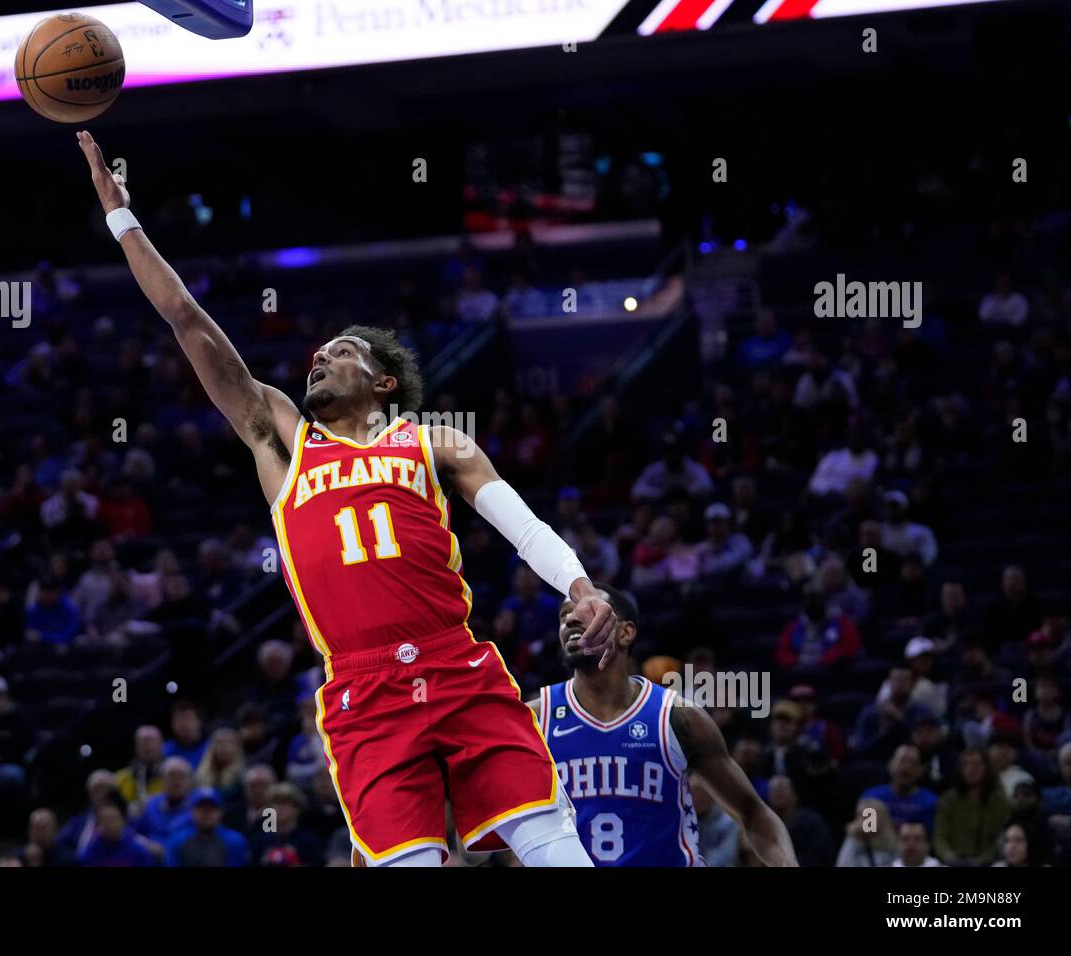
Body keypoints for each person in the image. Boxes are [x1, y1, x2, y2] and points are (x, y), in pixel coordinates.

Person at [79, 131, 618, 867]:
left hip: (457, 664)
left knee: (552, 845)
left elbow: (523, 528)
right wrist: (122, 219)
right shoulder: (282, 441)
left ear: (383, 382)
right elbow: (188, 320)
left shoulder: (435, 442)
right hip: (362, 691)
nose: (319, 356)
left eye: (340, 352)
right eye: (319, 351)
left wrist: (580, 586)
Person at [532, 585, 796, 867]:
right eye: (564, 615)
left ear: (625, 632)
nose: (570, 619)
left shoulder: (678, 717)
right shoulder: (535, 718)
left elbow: (753, 812)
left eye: (588, 609)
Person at [934, 748, 1010, 866]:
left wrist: (983, 859)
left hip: (989, 862)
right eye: (966, 764)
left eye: (977, 764)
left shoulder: (999, 800)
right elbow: (940, 836)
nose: (971, 768)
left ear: (986, 768)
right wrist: (950, 857)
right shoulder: (948, 799)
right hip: (953, 861)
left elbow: (1002, 836)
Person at [164, 789, 248, 867]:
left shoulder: (235, 841)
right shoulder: (177, 840)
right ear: (192, 812)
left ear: (221, 812)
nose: (206, 814)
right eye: (201, 809)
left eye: (211, 809)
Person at [835, 798, 897, 867]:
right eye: (859, 815)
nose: (861, 821)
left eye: (867, 816)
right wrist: (853, 837)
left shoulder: (891, 845)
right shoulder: (854, 841)